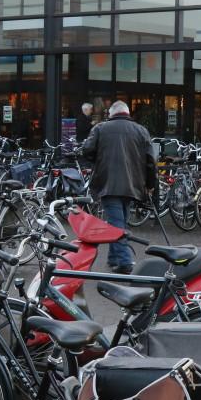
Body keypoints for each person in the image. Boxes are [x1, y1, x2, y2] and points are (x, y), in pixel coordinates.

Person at [81, 101, 157, 274]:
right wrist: (150, 184)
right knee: (120, 219)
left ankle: (123, 260)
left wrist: (99, 161)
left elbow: (87, 150)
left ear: (111, 113)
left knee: (116, 222)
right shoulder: (140, 130)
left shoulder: (101, 128)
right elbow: (150, 161)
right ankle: (115, 257)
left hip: (108, 181)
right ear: (127, 113)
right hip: (133, 184)